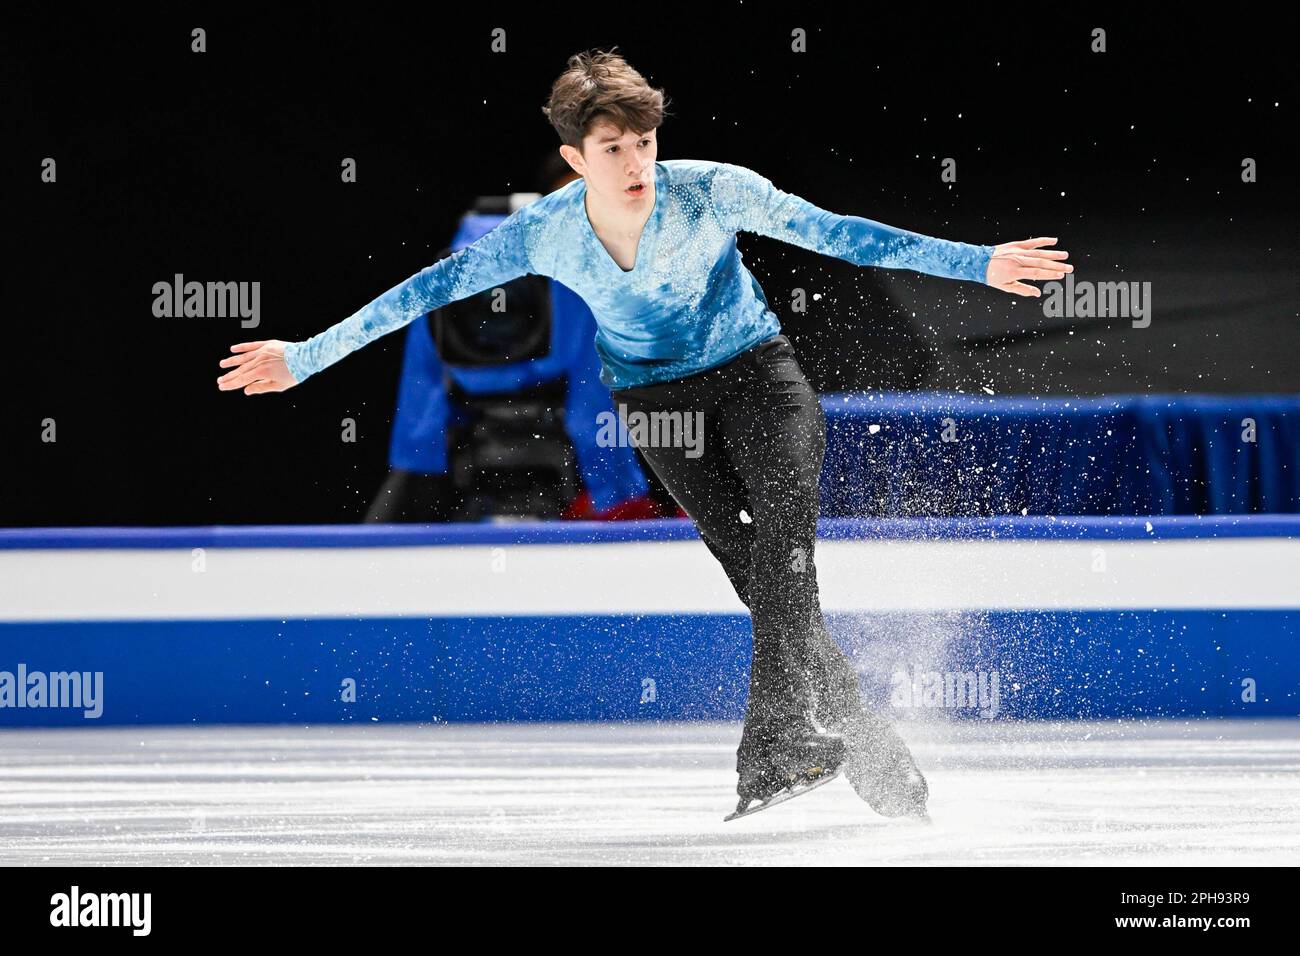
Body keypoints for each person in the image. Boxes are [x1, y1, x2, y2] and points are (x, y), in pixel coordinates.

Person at [217, 47, 1071, 818]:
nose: (635, 166)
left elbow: (840, 235)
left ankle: (776, 751)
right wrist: (306, 356)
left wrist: (976, 261)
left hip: (761, 381)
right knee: (764, 581)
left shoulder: (711, 189)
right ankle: (859, 736)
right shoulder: (545, 231)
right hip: (663, 407)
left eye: (644, 144)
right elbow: (422, 294)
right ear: (573, 159)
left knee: (784, 559)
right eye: (613, 150)